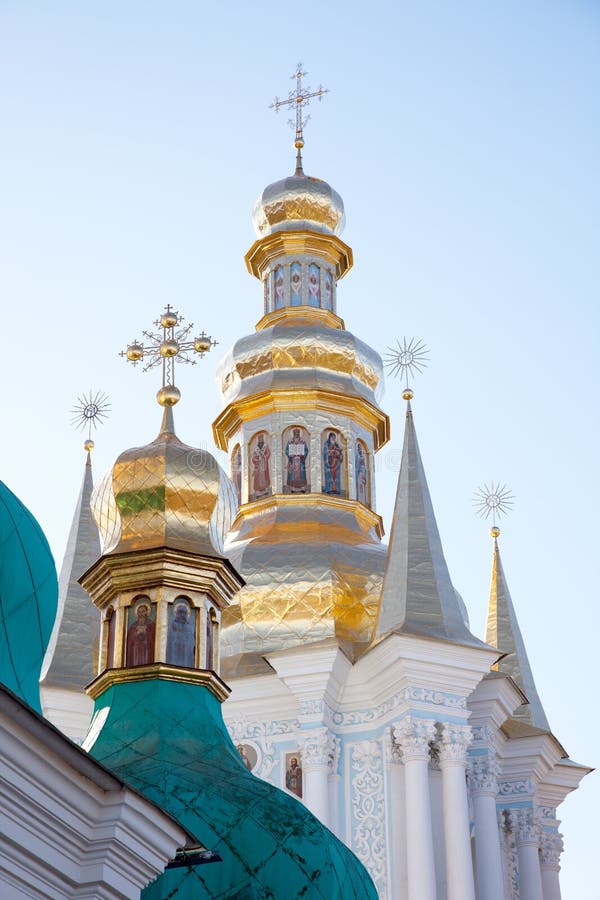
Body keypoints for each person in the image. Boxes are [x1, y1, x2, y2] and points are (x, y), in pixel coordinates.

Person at [126, 602, 155, 667]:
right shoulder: (133, 626)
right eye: (139, 612)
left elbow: (153, 639)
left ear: (146, 612)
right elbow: (130, 640)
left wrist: (146, 632)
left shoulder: (151, 625)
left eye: (143, 611)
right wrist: (136, 634)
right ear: (137, 613)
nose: (141, 614)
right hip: (136, 650)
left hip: (147, 648)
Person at [166, 601, 195, 667]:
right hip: (174, 651)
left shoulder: (190, 627)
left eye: (184, 612)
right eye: (180, 612)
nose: (182, 614)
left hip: (186, 653)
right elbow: (169, 640)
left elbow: (191, 642)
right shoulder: (172, 625)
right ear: (176, 613)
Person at [285, 428, 309, 492]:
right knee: (292, 475)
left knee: (302, 475)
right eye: (295, 433)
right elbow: (286, 450)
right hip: (292, 461)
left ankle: (302, 488)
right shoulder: (290, 442)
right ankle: (293, 488)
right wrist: (290, 454)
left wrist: (303, 454)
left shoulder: (303, 442)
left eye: (298, 433)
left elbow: (306, 450)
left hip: (300, 461)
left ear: (299, 434)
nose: (296, 434)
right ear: (293, 434)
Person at [251, 434, 271, 499]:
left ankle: (265, 490)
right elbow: (253, 457)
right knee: (257, 478)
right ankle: (258, 492)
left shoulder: (265, 446)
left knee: (265, 476)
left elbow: (268, 453)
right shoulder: (256, 448)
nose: (260, 439)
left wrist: (264, 457)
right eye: (259, 438)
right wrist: (256, 459)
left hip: (264, 464)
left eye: (261, 438)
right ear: (258, 440)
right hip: (258, 465)